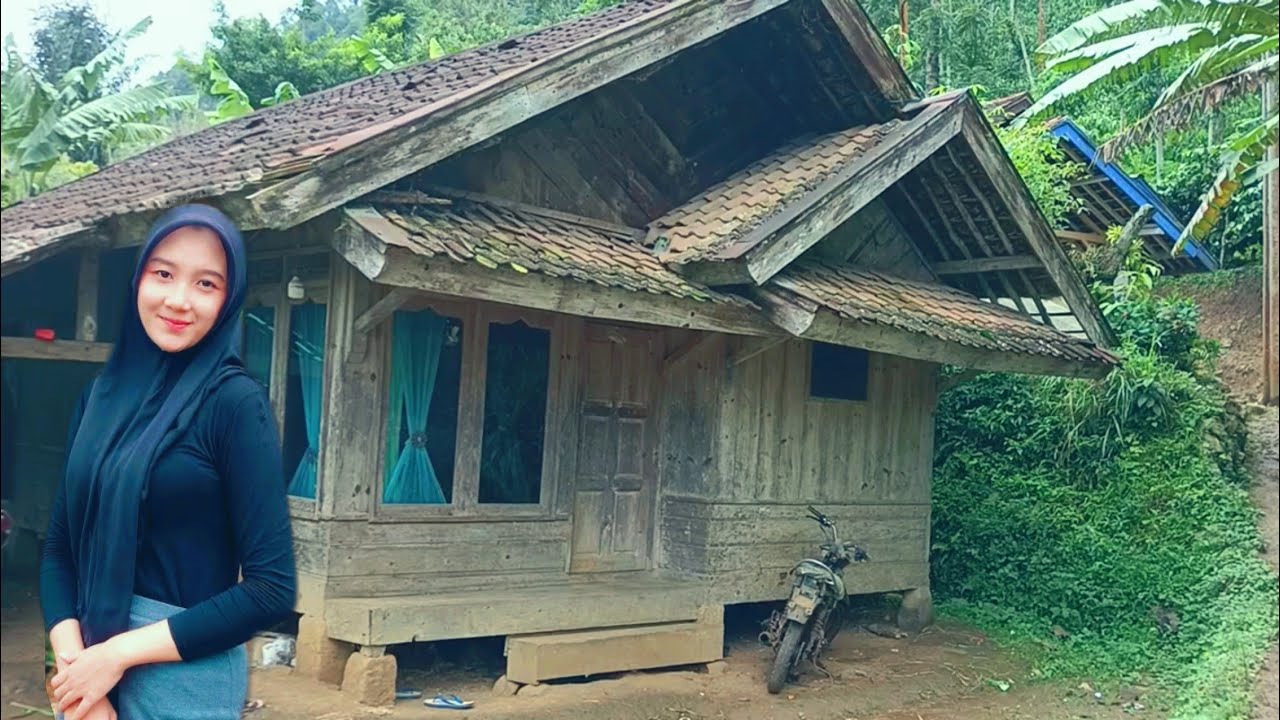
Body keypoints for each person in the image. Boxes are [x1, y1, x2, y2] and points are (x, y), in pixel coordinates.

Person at [40, 205, 297, 720]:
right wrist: (77, 676)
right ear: (138, 279)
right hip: (88, 673)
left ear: (228, 299)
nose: (179, 300)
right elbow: (59, 552)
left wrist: (115, 655)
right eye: (163, 273)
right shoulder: (98, 400)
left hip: (183, 681)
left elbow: (271, 590)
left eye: (207, 283)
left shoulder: (234, 404)